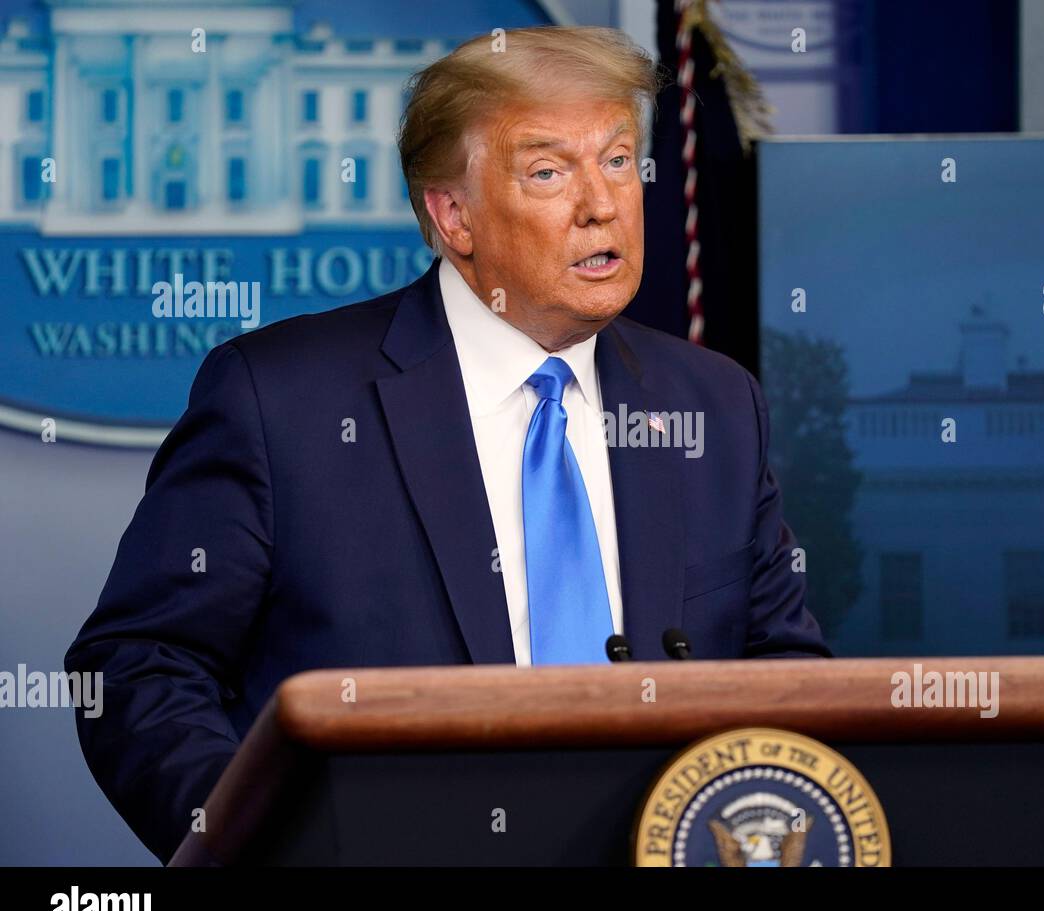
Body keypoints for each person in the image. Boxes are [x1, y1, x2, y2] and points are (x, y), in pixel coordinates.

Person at [65, 25, 829, 864]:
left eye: (617, 160)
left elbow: (781, 674)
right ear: (452, 214)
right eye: (547, 171)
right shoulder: (279, 398)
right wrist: (262, 847)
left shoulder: (713, 404)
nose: (602, 203)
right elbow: (138, 668)